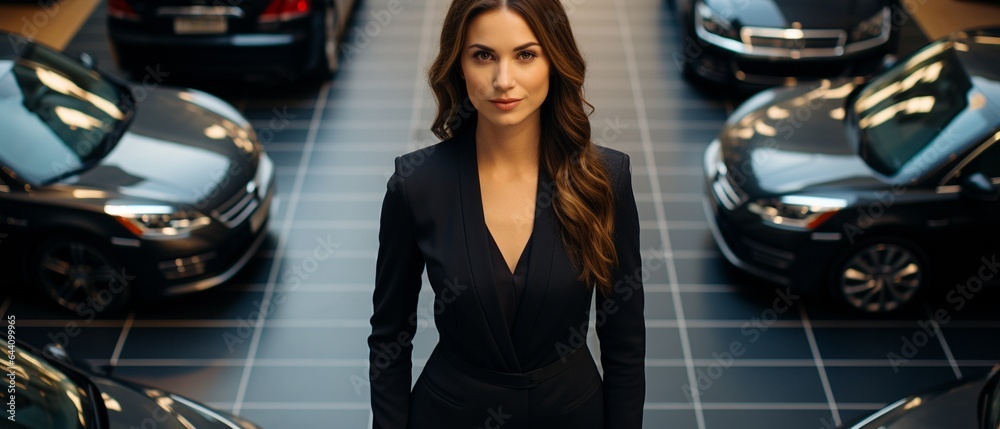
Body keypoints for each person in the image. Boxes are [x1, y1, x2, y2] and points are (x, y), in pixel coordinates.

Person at [368, 0, 645, 428]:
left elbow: (624, 340)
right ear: (458, 65)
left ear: (555, 61)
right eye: (483, 55)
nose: (503, 80)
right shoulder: (416, 184)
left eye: (525, 55)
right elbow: (390, 336)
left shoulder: (605, 179)